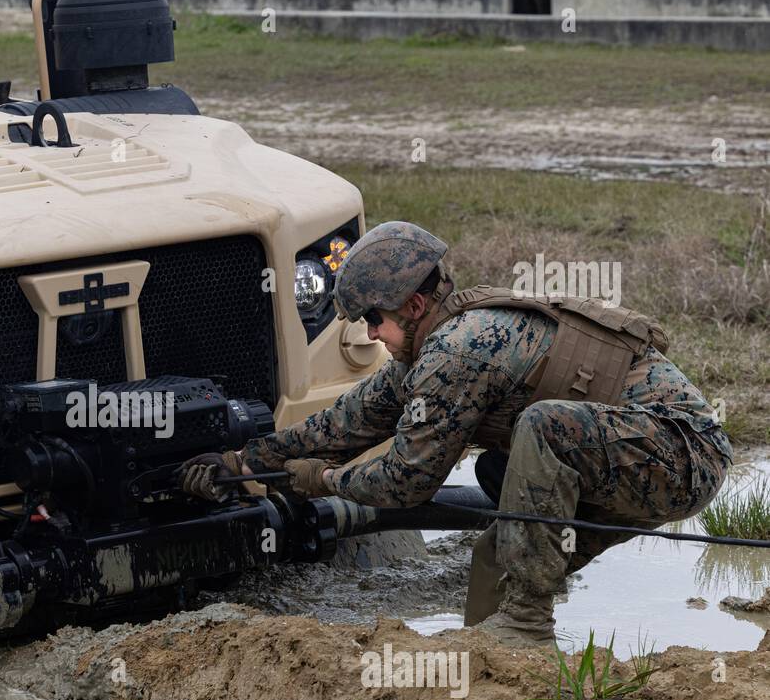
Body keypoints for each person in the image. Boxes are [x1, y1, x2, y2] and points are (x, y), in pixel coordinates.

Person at [180, 222, 733, 647]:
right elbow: (347, 421)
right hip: (634, 455)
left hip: (683, 452)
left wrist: (321, 480)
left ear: (415, 305)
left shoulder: (458, 352)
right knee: (501, 547)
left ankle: (525, 627)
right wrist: (246, 460)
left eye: (375, 319)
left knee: (539, 433)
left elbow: (405, 482)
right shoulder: (437, 342)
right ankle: (505, 655)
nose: (371, 333)